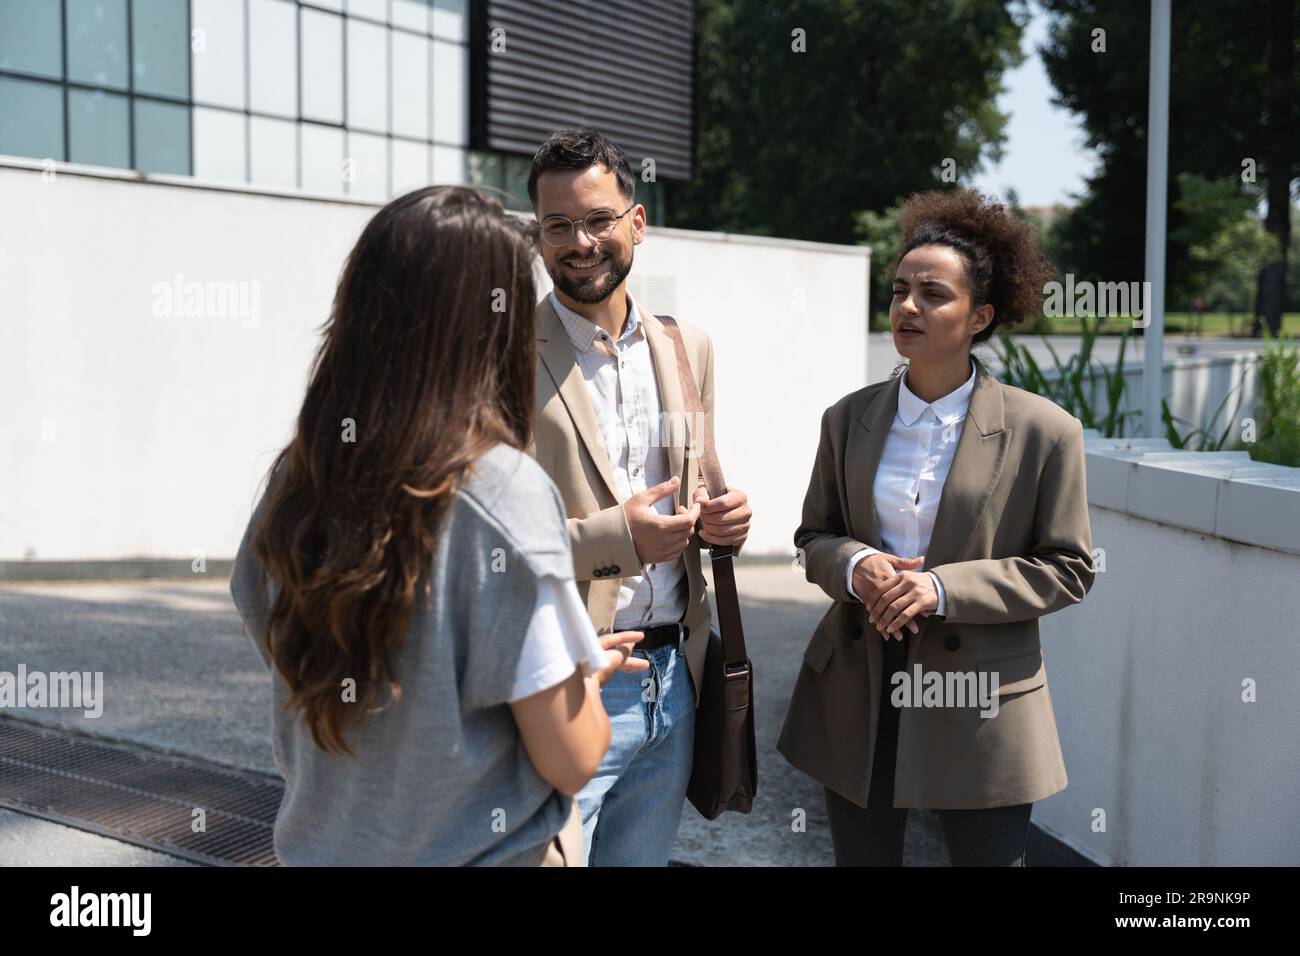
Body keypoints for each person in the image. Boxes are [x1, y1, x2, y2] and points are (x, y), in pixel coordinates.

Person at [229, 185, 646, 866]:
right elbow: (571, 759)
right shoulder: (501, 489)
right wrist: (582, 687)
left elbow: (311, 651)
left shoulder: (296, 478)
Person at [777, 189, 1096, 866]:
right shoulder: (848, 418)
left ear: (980, 315)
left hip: (981, 696)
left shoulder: (1045, 431)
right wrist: (857, 564)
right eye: (899, 291)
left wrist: (942, 589)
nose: (907, 308)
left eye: (932, 294)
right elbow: (813, 538)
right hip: (859, 685)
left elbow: (1070, 567)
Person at [525, 127, 753, 865]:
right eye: (557, 225)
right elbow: (473, 546)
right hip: (564, 685)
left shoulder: (688, 347)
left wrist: (728, 521)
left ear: (638, 223)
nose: (579, 241)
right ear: (536, 236)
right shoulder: (497, 354)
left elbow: (701, 487)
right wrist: (613, 542)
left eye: (597, 220)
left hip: (674, 685)